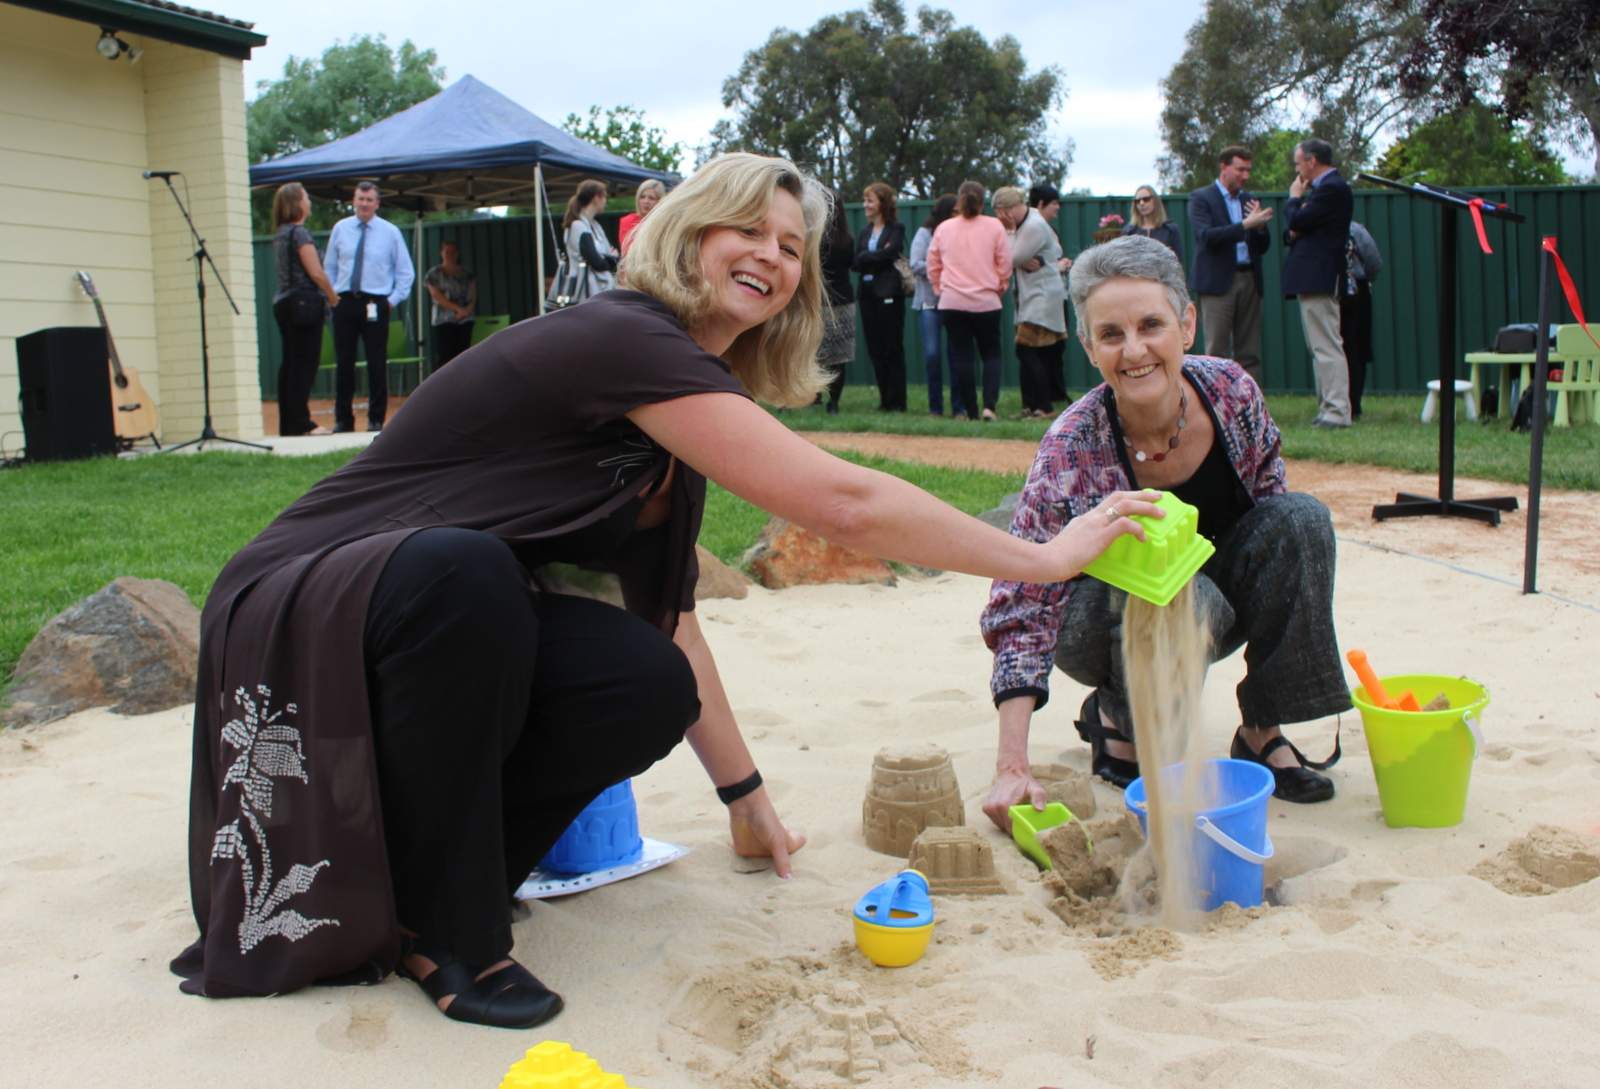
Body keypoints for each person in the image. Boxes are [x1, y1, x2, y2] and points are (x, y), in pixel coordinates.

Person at [172, 152, 1161, 1031]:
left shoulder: (671, 423)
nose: (772, 257)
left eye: (791, 246)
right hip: (307, 601)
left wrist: (746, 800)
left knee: (639, 678)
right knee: (469, 575)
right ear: (687, 233)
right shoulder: (622, 335)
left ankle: (440, 877)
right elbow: (844, 502)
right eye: (748, 229)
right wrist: (1045, 557)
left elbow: (677, 625)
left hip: (424, 610)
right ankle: (449, 930)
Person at [980, 234, 1347, 829]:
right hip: (1097, 624)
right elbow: (1023, 599)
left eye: (1151, 325)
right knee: (1179, 589)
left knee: (1302, 520)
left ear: (1187, 325)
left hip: (1213, 609)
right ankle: (1119, 714)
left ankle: (1261, 730)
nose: (1134, 351)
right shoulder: (1071, 447)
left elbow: (1273, 534)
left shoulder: (1231, 393)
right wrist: (1011, 762)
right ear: (1087, 346)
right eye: (1111, 334)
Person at [323, 181, 415, 434]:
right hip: (345, 301)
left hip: (376, 302)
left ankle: (376, 419)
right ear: (354, 200)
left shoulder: (390, 232)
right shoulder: (341, 229)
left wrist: (392, 300)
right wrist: (332, 296)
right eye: (360, 199)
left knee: (376, 362)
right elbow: (329, 267)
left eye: (369, 200)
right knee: (345, 362)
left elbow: (405, 272)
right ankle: (343, 419)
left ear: (377, 203)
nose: (364, 204)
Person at [1283, 138, 1355, 428]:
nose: (1298, 170)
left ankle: (1337, 412)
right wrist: (1298, 223)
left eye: (1299, 163)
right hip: (1313, 277)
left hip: (1321, 275)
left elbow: (1297, 221)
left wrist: (1294, 198)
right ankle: (1328, 408)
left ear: (1312, 161)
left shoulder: (1332, 188)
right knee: (1320, 347)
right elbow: (1294, 231)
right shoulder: (1324, 191)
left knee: (1327, 346)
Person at [1188, 146, 1273, 389]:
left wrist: (1259, 229)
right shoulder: (1201, 198)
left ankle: (1250, 404)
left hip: (1250, 279)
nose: (1245, 176)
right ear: (1224, 167)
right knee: (1217, 350)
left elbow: (1262, 246)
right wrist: (1246, 224)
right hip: (1218, 283)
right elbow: (1206, 237)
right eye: (1240, 169)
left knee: (1250, 350)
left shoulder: (1249, 200)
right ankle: (1216, 405)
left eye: (1248, 170)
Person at [928, 181, 1012, 422]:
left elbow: (933, 263)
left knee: (962, 357)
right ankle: (989, 407)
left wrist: (939, 288)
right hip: (987, 301)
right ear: (983, 202)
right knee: (991, 355)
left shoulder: (944, 228)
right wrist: (1000, 286)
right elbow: (1005, 263)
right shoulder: (995, 226)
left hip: (952, 302)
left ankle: (970, 411)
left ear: (959, 201)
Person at [994, 186, 1070, 419]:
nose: (999, 218)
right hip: (1033, 294)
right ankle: (1033, 405)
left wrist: (1008, 234)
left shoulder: (1034, 225)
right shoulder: (1030, 222)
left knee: (1026, 349)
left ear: (1012, 208)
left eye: (1001, 212)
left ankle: (1043, 406)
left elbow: (1010, 258)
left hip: (1042, 295)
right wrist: (1021, 259)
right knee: (1039, 352)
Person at [269, 182, 337, 436]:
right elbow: (316, 273)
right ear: (297, 202)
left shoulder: (280, 233)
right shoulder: (300, 234)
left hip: (285, 303)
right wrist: (333, 297)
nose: (309, 201)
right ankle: (302, 423)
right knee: (304, 365)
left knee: (290, 365)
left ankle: (289, 423)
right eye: (306, 197)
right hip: (305, 305)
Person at [852, 181, 908, 411]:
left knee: (892, 348)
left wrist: (868, 257)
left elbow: (891, 253)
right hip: (867, 296)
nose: (866, 205)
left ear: (882, 204)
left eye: (870, 200)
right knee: (875, 349)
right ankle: (884, 400)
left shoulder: (896, 228)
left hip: (889, 294)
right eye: (865, 201)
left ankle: (898, 402)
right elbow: (856, 261)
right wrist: (871, 255)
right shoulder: (865, 232)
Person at [909, 194, 959, 416]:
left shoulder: (959, 232)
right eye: (955, 211)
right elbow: (915, 264)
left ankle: (960, 407)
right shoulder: (924, 234)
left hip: (955, 303)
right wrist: (943, 269)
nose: (959, 214)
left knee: (957, 356)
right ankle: (935, 408)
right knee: (932, 355)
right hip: (929, 303)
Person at [1028, 184, 1073, 403]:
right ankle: (1041, 399)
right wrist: (1058, 266)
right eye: (1054, 203)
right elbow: (1032, 263)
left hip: (1058, 295)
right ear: (1040, 204)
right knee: (1042, 350)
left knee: (1057, 348)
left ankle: (1056, 393)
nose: (1058, 207)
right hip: (1040, 299)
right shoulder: (1033, 229)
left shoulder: (1048, 229)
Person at [817, 190, 856, 414]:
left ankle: (814, 395)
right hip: (843, 300)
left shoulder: (815, 238)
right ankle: (834, 402)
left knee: (815, 352)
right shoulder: (847, 240)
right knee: (838, 355)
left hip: (820, 300)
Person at [1340, 220, 1382, 420]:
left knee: (1354, 347)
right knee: (1352, 347)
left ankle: (1353, 402)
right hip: (1351, 289)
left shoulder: (1354, 229)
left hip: (1354, 290)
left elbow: (1373, 263)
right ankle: (1350, 403)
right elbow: (1374, 263)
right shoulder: (1354, 229)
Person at [563, 180, 620, 304]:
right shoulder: (578, 226)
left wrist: (608, 259)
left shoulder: (595, 226)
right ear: (596, 197)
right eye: (604, 197)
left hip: (600, 291)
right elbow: (597, 262)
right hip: (585, 294)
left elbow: (607, 258)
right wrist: (611, 259)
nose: (606, 202)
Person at [424, 240, 477, 373]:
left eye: (453, 252)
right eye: (447, 252)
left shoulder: (467, 273)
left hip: (465, 319)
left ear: (457, 254)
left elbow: (473, 293)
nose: (450, 255)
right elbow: (436, 295)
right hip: (443, 320)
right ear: (441, 253)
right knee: (444, 356)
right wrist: (457, 309)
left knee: (463, 354)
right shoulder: (433, 274)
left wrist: (468, 309)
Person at [1121, 185, 1183, 266]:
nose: (1141, 203)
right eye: (1137, 201)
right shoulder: (1129, 231)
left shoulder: (1170, 230)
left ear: (1155, 201)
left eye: (1146, 199)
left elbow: (1178, 261)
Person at [618, 178, 665, 256]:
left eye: (651, 198)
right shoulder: (627, 221)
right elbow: (627, 251)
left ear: (659, 201)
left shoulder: (664, 223)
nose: (646, 201)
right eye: (642, 197)